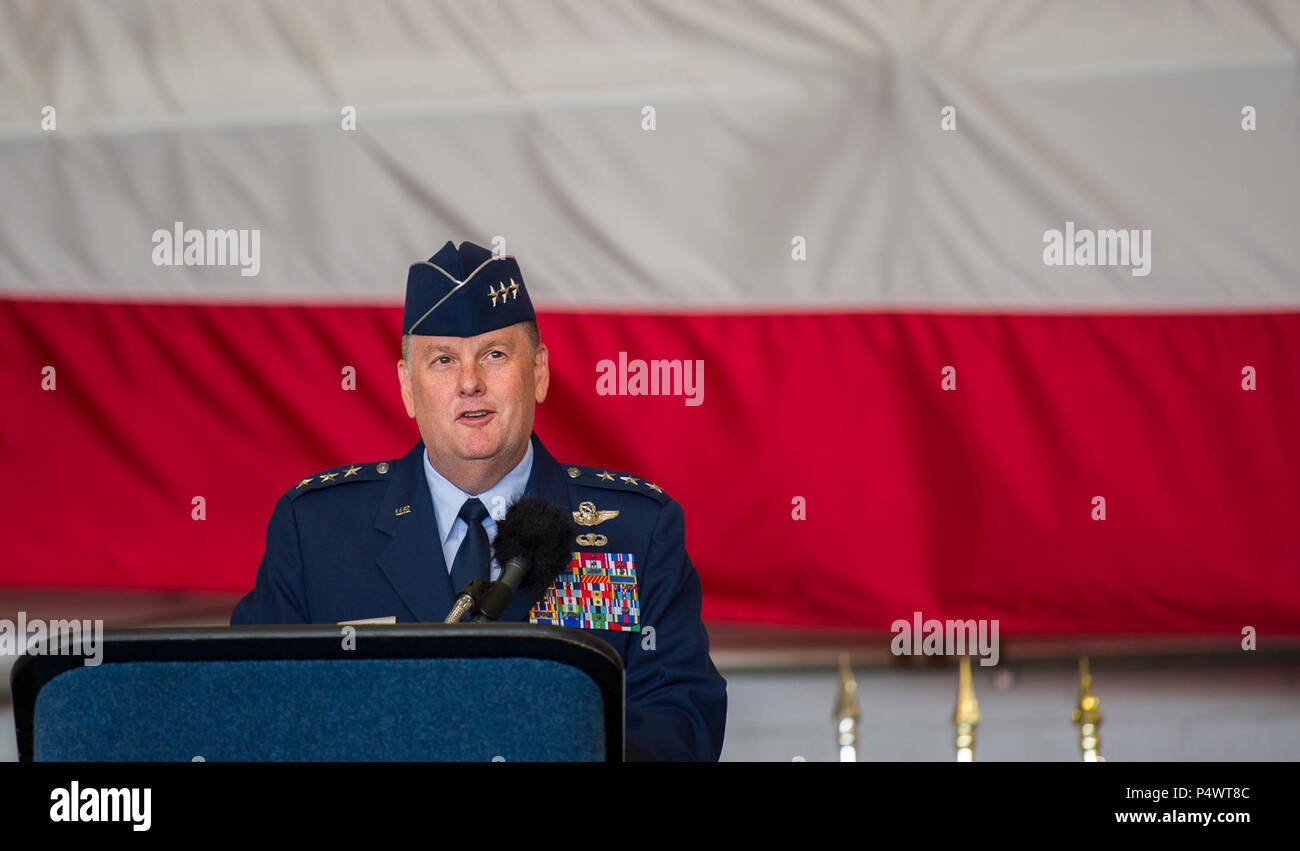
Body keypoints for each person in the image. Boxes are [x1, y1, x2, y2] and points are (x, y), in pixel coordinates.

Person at [231, 239, 727, 761]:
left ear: (538, 371)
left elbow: (681, 722)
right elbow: (250, 714)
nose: (470, 383)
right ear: (406, 386)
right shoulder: (316, 531)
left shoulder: (639, 530)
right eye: (443, 360)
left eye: (494, 355)